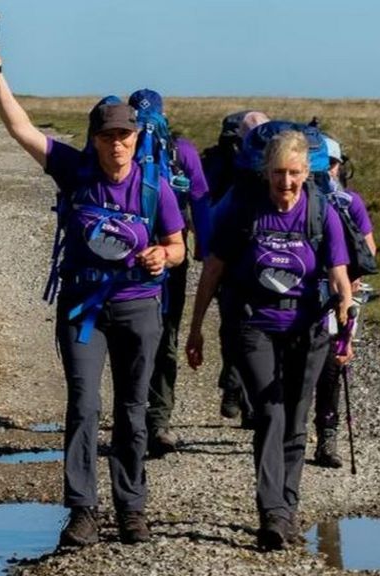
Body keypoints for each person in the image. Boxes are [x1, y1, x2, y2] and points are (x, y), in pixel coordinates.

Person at [0, 47, 186, 547]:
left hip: (138, 307)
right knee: (84, 407)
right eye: (108, 136)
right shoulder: (74, 170)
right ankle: (82, 513)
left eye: (125, 137)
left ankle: (132, 510)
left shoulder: (155, 186)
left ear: (137, 139)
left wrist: (163, 255)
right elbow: (22, 130)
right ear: (94, 139)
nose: (117, 146)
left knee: (133, 412)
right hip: (82, 309)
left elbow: (179, 248)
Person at [186, 130, 353, 550]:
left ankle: (287, 509)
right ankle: (271, 514)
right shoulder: (245, 208)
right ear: (266, 172)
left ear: (306, 173)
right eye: (279, 172)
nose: (286, 182)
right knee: (270, 414)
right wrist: (195, 328)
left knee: (296, 420)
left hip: (306, 329)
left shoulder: (321, 211)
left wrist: (344, 317)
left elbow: (338, 273)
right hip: (254, 324)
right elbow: (212, 271)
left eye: (295, 173)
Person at [126, 89, 210, 458]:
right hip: (172, 255)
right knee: (166, 336)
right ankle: (158, 422)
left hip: (127, 255)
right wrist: (205, 250)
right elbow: (202, 201)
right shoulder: (183, 151)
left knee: (128, 337)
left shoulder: (123, 142)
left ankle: (134, 417)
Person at [311, 136, 377, 469]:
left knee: (329, 363)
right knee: (334, 363)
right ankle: (326, 438)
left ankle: (321, 435)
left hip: (322, 290)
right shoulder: (350, 200)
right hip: (340, 291)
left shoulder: (342, 202)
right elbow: (369, 249)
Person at [202, 111, 271, 426]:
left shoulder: (223, 163)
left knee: (236, 327)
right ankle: (241, 394)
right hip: (238, 258)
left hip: (227, 256)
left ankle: (237, 390)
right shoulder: (242, 172)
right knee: (244, 329)